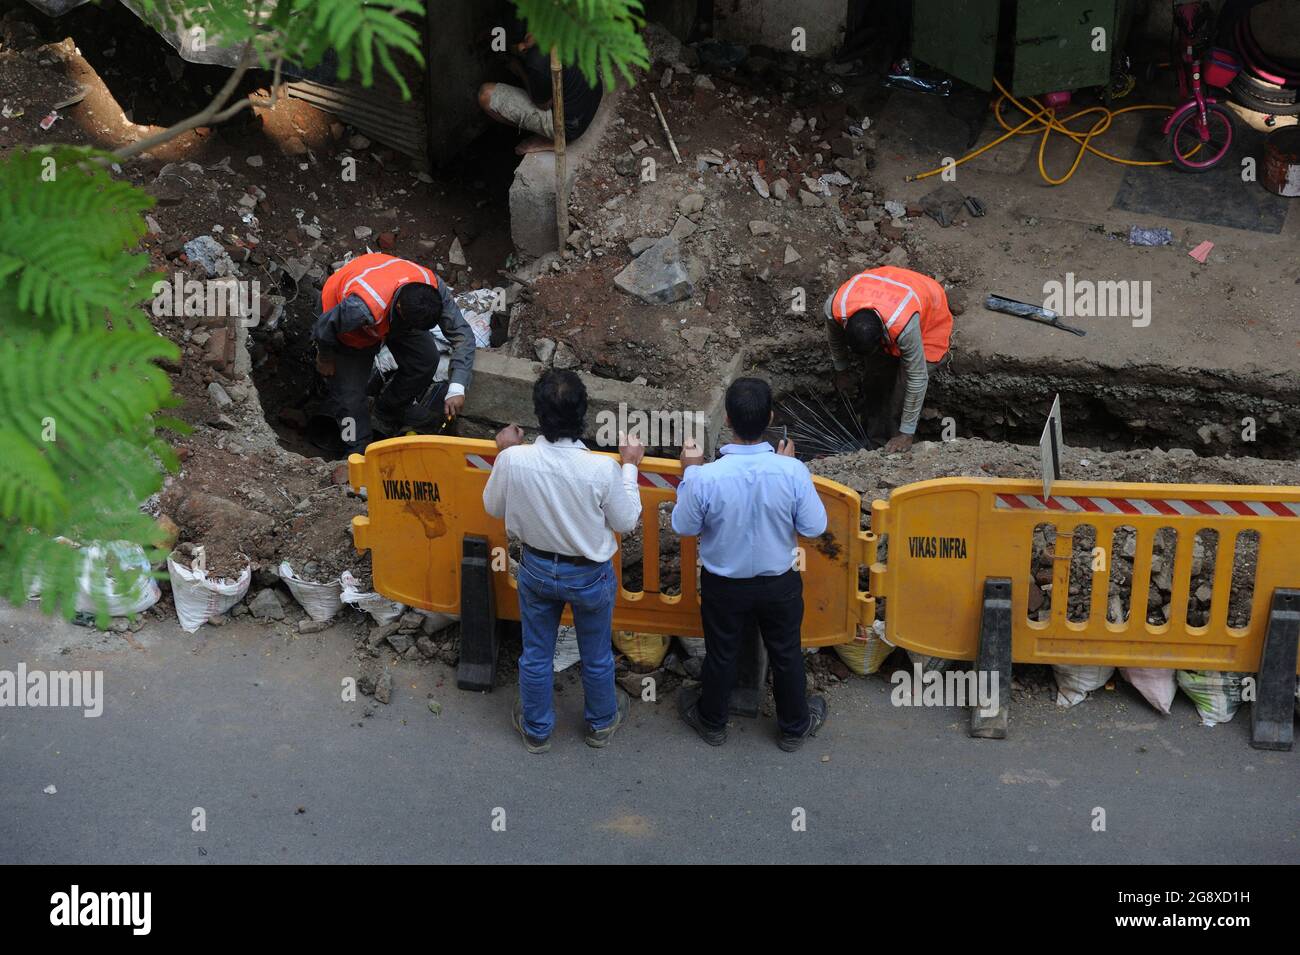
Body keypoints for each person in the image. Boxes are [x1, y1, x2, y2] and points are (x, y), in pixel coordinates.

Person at [482, 369, 643, 754]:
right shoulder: (603, 469)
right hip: (589, 575)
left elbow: (492, 506)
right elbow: (625, 521)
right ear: (583, 414)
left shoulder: (514, 460)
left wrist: (502, 453)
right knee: (597, 652)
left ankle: (537, 730)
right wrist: (631, 465)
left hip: (537, 569)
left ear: (537, 415)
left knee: (537, 652)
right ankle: (601, 724)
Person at [671, 377, 830, 752]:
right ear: (770, 418)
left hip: (724, 585)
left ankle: (712, 721)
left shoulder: (705, 477)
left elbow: (684, 526)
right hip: (779, 583)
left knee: (721, 651)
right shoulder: (791, 472)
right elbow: (815, 526)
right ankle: (794, 727)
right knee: (786, 652)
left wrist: (688, 473)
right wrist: (789, 469)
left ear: (727, 419)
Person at [313, 252, 475, 454]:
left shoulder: (431, 287)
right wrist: (325, 357)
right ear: (399, 310)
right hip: (344, 324)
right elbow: (324, 328)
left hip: (392, 312)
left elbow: (463, 336)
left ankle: (389, 409)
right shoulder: (361, 308)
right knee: (350, 400)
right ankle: (354, 447)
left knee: (425, 359)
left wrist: (457, 387)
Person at [824, 265, 954, 453]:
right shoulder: (836, 306)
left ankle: (899, 441)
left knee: (901, 393)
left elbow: (917, 378)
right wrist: (841, 370)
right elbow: (834, 336)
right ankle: (876, 441)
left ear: (882, 338)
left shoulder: (904, 324)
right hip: (886, 284)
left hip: (929, 307)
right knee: (874, 382)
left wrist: (906, 433)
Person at [476, 19, 603, 155]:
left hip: (571, 126)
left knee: (485, 95)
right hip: (594, 92)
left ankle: (553, 139)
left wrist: (520, 71)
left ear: (523, 47)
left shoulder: (537, 63)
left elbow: (543, 105)